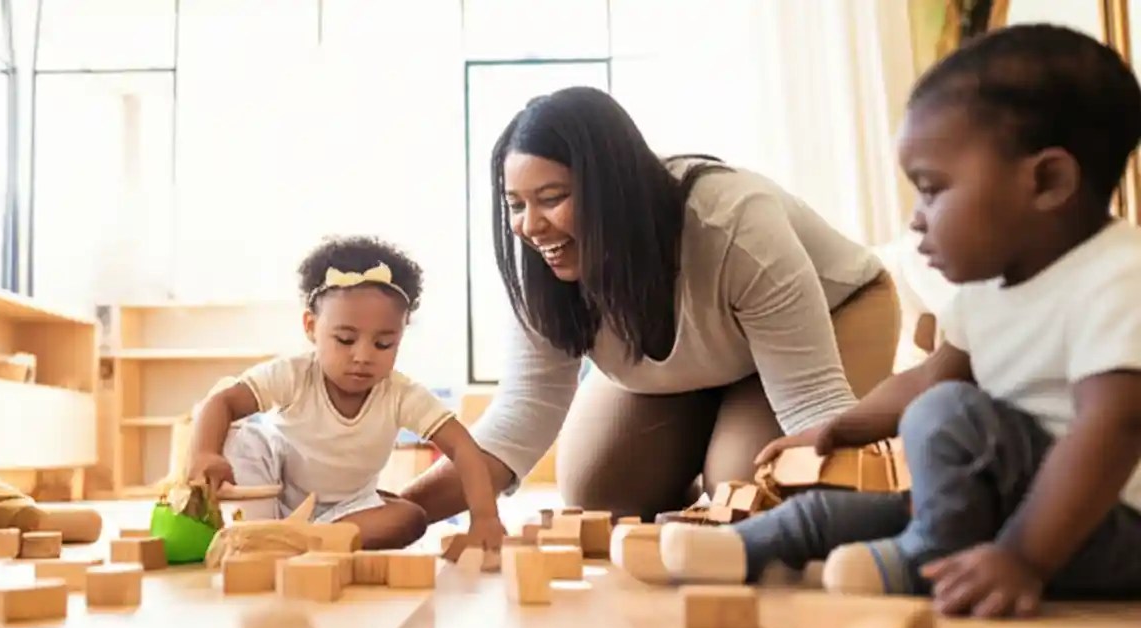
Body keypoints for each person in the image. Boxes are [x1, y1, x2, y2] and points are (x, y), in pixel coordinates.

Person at [658, 23, 1141, 618]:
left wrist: (1022, 557)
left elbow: (1113, 428)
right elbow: (928, 377)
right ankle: (741, 550)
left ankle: (921, 560)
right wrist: (839, 427)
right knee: (834, 507)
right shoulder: (988, 288)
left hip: (1108, 524)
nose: (916, 220)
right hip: (1016, 506)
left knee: (949, 417)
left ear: (1047, 181)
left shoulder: (1118, 280)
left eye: (932, 191)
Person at [402, 86, 899, 522]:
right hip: (703, 357)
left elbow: (813, 405)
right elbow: (518, 420)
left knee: (744, 490)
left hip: (838, 314)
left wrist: (888, 493)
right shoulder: (542, 257)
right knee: (598, 493)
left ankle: (723, 471)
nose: (530, 226)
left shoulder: (733, 225)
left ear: (610, 190)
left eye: (552, 197)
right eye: (515, 204)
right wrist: (398, 513)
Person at [187, 236, 505, 550]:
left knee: (409, 517)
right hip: (272, 497)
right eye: (345, 340)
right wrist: (205, 455)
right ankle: (267, 531)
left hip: (348, 512)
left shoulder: (400, 393)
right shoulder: (294, 374)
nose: (363, 356)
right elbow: (222, 402)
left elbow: (463, 447)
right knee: (236, 436)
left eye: (383, 344)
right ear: (311, 327)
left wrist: (485, 517)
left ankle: (298, 541)